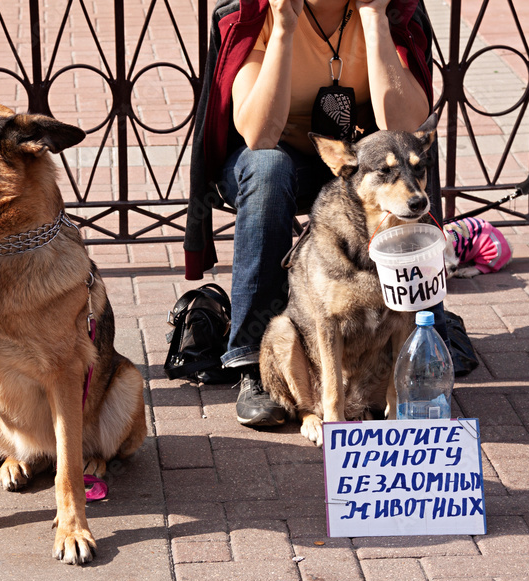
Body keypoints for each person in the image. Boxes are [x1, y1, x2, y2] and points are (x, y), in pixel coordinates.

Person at [185, 0, 444, 427]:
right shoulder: (259, 15)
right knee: (269, 170)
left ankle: (418, 330)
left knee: (403, 172)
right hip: (273, 162)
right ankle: (252, 361)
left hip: (360, 166)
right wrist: (285, 26)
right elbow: (258, 134)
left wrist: (375, 19)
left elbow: (408, 132)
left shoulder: (390, 12)